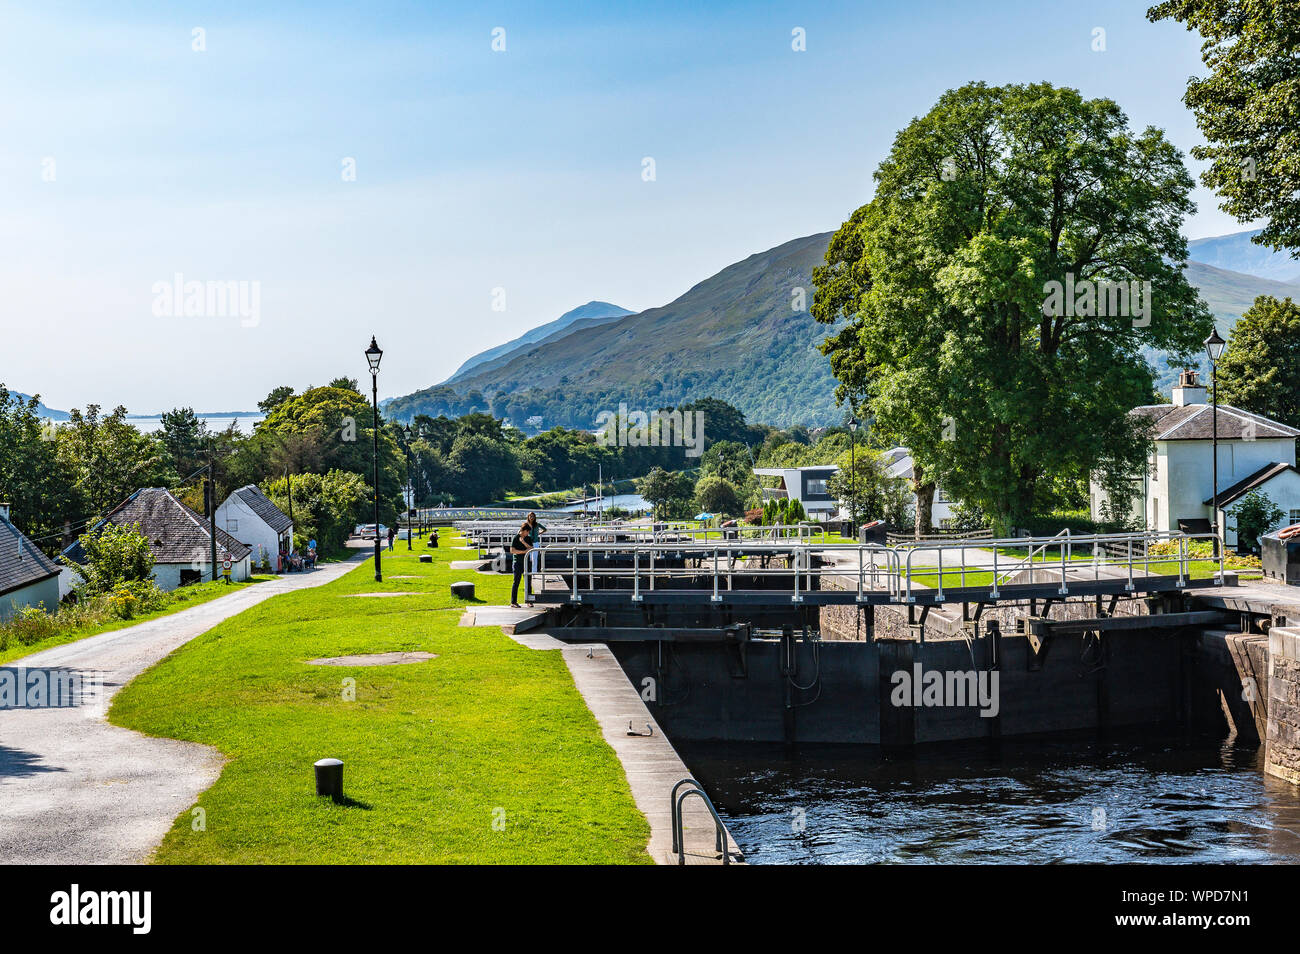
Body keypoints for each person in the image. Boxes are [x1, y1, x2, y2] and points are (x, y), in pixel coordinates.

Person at [509, 522, 532, 608]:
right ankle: (513, 602)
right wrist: (523, 552)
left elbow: (531, 548)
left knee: (528, 582)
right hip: (517, 563)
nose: (528, 533)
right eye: (527, 532)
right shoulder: (515, 538)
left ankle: (529, 601)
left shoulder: (528, 538)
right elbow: (512, 551)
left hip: (526, 563)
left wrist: (524, 543)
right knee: (516, 582)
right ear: (524, 530)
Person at [525, 512, 546, 578]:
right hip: (528, 543)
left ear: (534, 517)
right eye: (530, 516)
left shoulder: (537, 524)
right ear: (528, 517)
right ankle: (528, 571)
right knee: (529, 558)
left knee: (535, 558)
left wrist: (539, 533)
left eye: (533, 516)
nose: (531, 517)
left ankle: (534, 573)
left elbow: (545, 529)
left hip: (535, 543)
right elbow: (521, 531)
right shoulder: (526, 524)